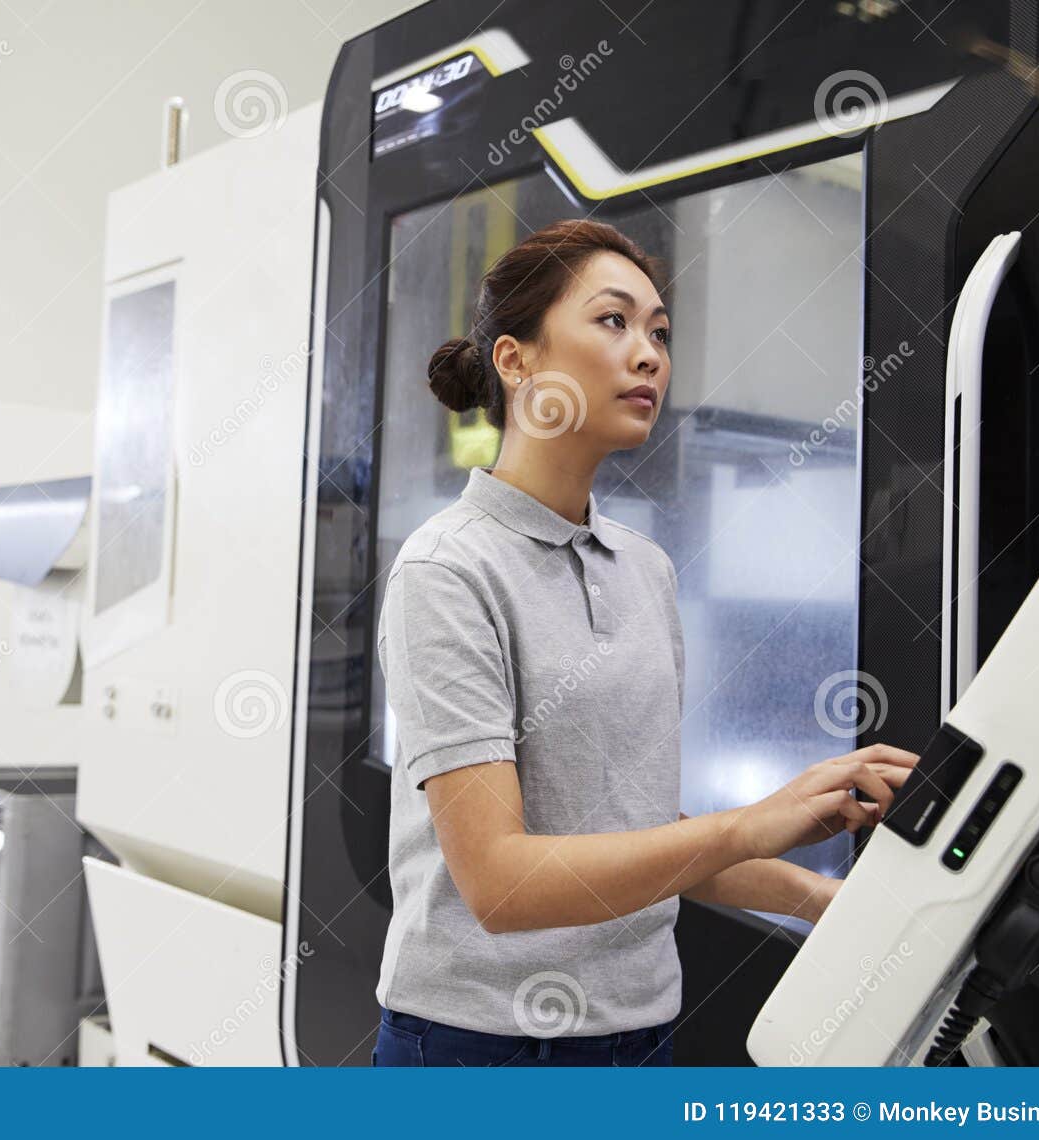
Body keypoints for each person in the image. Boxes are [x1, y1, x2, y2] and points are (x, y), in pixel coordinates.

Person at [372, 220, 915, 1067]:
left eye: (660, 331)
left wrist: (817, 897)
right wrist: (750, 825)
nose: (651, 354)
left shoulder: (645, 570)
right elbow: (501, 882)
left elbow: (637, 835)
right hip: (481, 1047)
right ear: (515, 362)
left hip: (642, 1033)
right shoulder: (448, 569)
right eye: (614, 321)